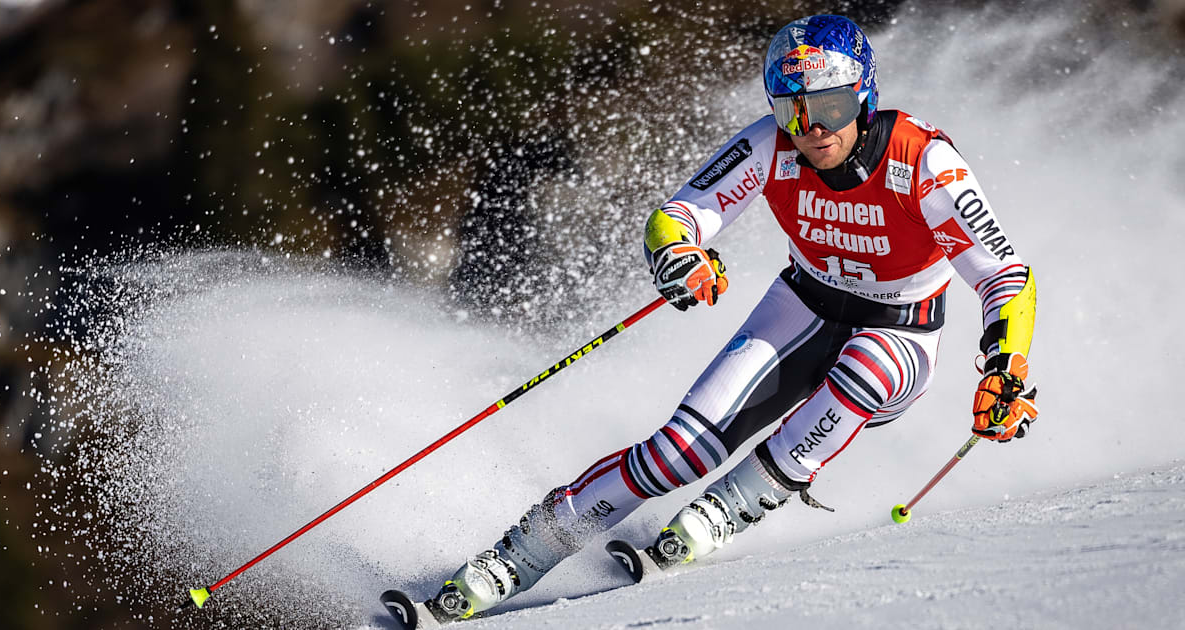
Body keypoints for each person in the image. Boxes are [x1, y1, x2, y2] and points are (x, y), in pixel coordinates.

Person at [424, 14, 1039, 621]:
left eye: (830, 104)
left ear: (865, 94)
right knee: (676, 455)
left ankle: (729, 507)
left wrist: (1005, 367)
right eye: (792, 110)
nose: (813, 129)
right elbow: (677, 215)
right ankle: (513, 559)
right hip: (804, 306)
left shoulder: (923, 161)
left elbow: (1005, 275)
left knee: (865, 367)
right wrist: (680, 256)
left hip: (902, 333)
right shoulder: (771, 148)